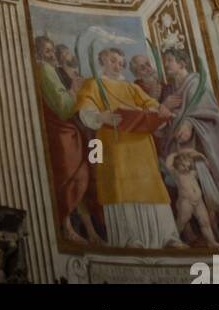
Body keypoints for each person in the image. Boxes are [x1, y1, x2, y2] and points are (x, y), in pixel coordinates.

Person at [75, 46, 180, 248]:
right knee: (122, 188)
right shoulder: (93, 84)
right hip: (114, 145)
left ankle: (167, 236)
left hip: (141, 146)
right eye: (113, 60)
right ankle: (132, 239)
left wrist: (160, 111)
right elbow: (85, 109)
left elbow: (151, 104)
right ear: (102, 60)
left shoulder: (131, 87)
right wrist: (100, 116)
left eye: (121, 62)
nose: (118, 65)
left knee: (152, 188)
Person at [159, 48, 219, 240]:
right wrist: (165, 113)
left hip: (198, 148)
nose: (166, 64)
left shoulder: (195, 83)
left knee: (206, 190)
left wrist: (188, 122)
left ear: (182, 63)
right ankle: (192, 234)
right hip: (178, 149)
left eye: (170, 60)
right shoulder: (172, 90)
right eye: (165, 61)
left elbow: (211, 112)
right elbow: (167, 121)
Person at [34, 36, 102, 244]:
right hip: (61, 132)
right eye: (47, 50)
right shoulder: (45, 70)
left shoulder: (53, 70)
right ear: (38, 53)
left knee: (78, 178)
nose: (52, 54)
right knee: (69, 178)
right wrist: (74, 88)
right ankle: (67, 227)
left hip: (71, 131)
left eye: (53, 50)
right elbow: (63, 107)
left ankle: (89, 231)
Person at [166, 148, 219, 248]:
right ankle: (173, 239)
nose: (186, 168)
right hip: (186, 202)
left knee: (205, 221)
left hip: (198, 202)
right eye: (183, 166)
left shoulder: (192, 172)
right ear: (177, 165)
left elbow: (206, 166)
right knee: (182, 221)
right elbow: (169, 161)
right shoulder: (176, 173)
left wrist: (200, 155)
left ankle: (211, 242)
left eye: (188, 166)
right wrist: (179, 153)